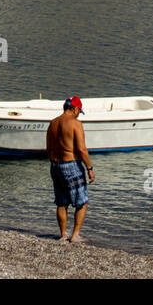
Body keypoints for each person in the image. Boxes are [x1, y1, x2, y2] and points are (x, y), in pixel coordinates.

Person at [46, 96, 94, 242]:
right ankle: (75, 235)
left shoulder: (52, 123)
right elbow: (81, 149)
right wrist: (89, 168)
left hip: (55, 165)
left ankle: (63, 235)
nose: (79, 113)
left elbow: (49, 149)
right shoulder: (75, 123)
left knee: (61, 202)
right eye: (79, 110)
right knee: (82, 202)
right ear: (75, 109)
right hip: (71, 164)